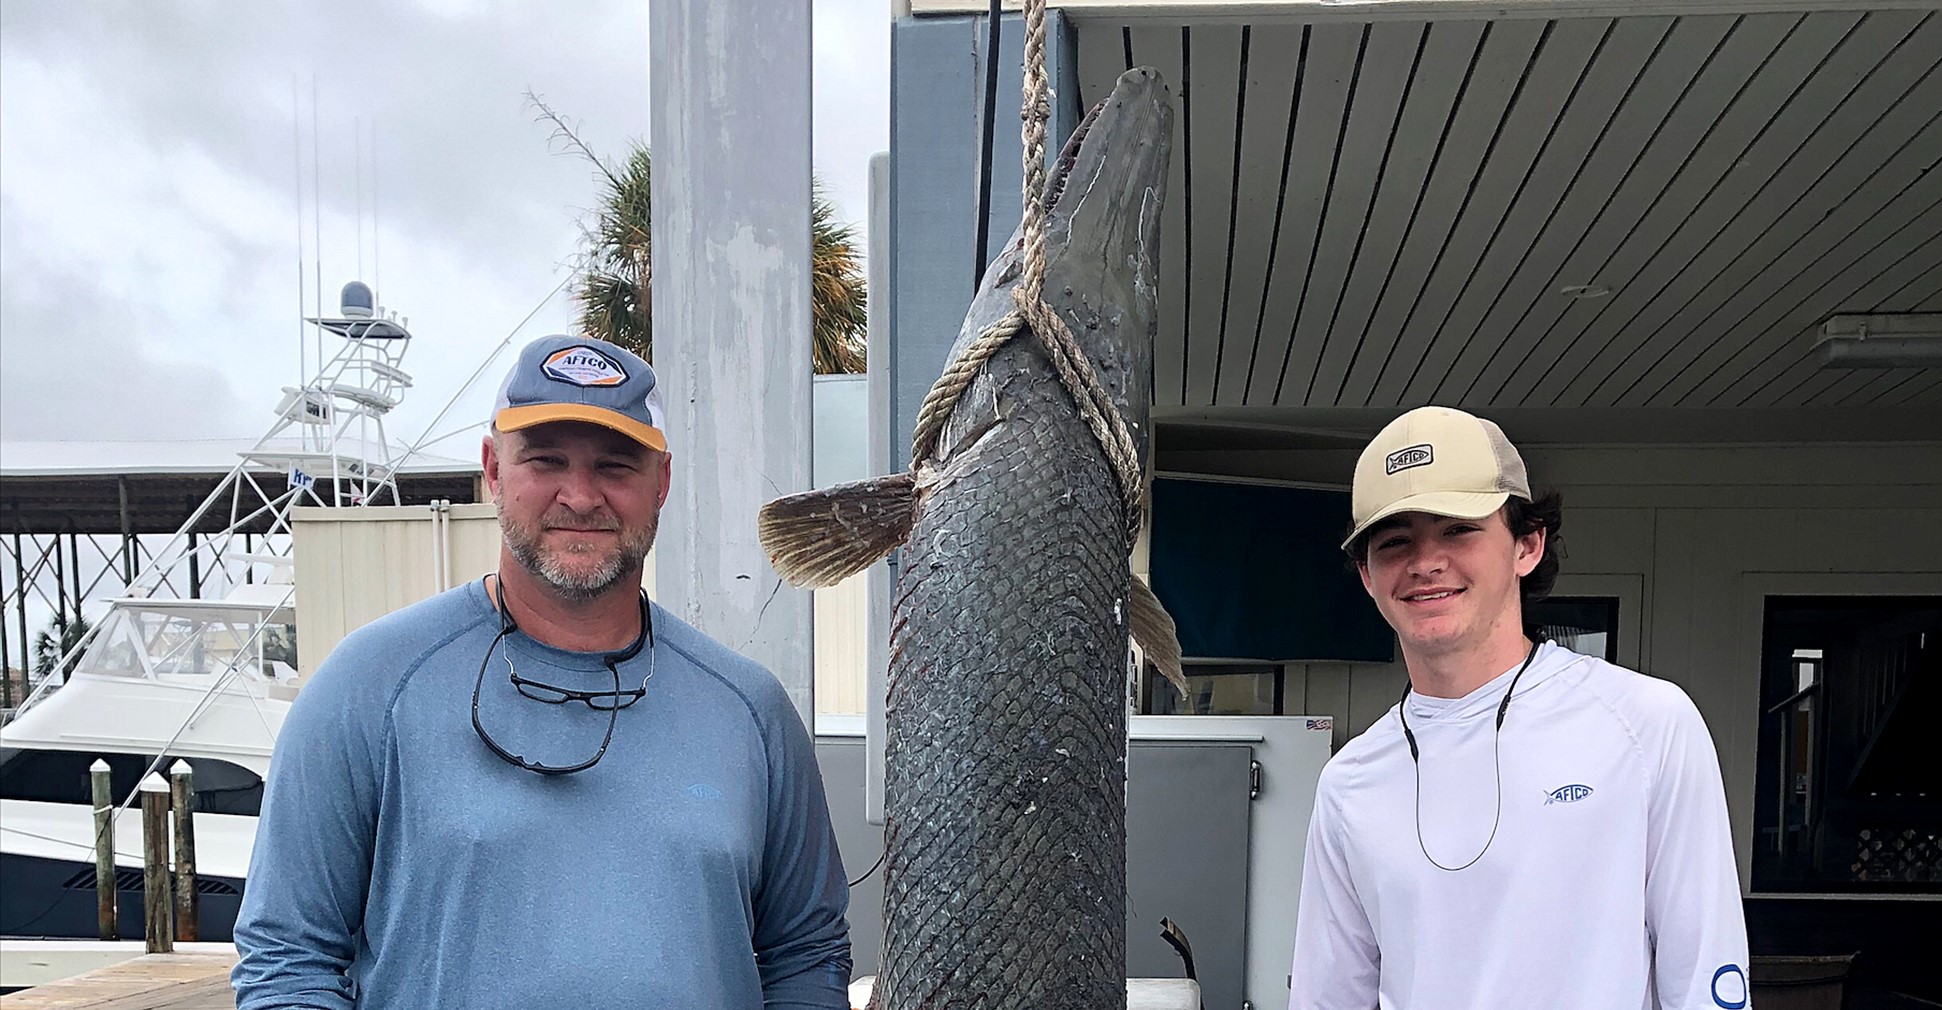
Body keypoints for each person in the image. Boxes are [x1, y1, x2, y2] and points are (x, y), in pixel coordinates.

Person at [233, 335, 852, 1009]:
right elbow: (288, 958)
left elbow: (806, 954)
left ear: (663, 483)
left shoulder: (752, 713)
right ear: (493, 469)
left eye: (616, 466)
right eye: (546, 461)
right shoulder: (369, 687)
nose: (581, 497)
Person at [1288, 406, 1749, 1010]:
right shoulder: (1349, 782)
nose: (1426, 562)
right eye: (1395, 540)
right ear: (1368, 577)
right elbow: (1329, 998)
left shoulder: (1646, 724)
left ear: (1527, 545)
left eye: (1458, 529)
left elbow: (1705, 976)